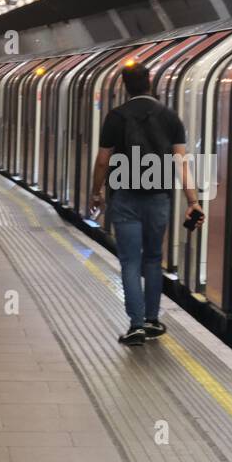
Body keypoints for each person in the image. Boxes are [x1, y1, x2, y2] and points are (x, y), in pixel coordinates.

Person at [90, 63, 204, 346]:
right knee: (153, 259)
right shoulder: (170, 118)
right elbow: (181, 162)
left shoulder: (116, 117)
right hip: (158, 198)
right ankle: (153, 321)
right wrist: (194, 201)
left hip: (125, 197)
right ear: (150, 81)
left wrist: (96, 192)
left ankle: (136, 325)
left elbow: (103, 160)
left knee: (130, 261)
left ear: (125, 86)